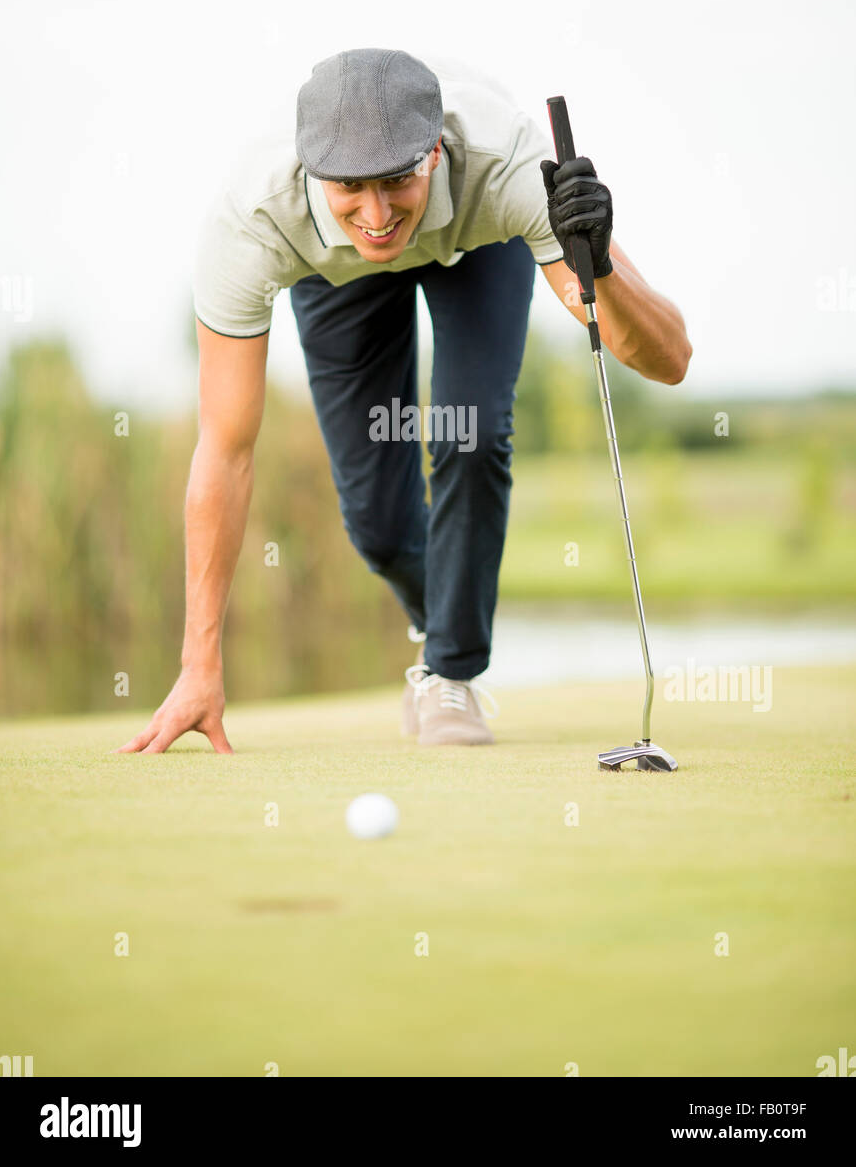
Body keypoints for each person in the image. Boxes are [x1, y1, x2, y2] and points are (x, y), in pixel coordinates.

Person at [118, 48, 691, 755]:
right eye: (349, 186)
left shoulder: (507, 165)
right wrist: (197, 666)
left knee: (471, 432)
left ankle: (450, 675)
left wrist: (600, 266)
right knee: (379, 525)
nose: (378, 213)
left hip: (476, 240)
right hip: (333, 278)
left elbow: (668, 361)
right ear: (311, 172)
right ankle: (444, 626)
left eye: (397, 179)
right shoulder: (254, 218)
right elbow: (226, 449)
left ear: (435, 155)